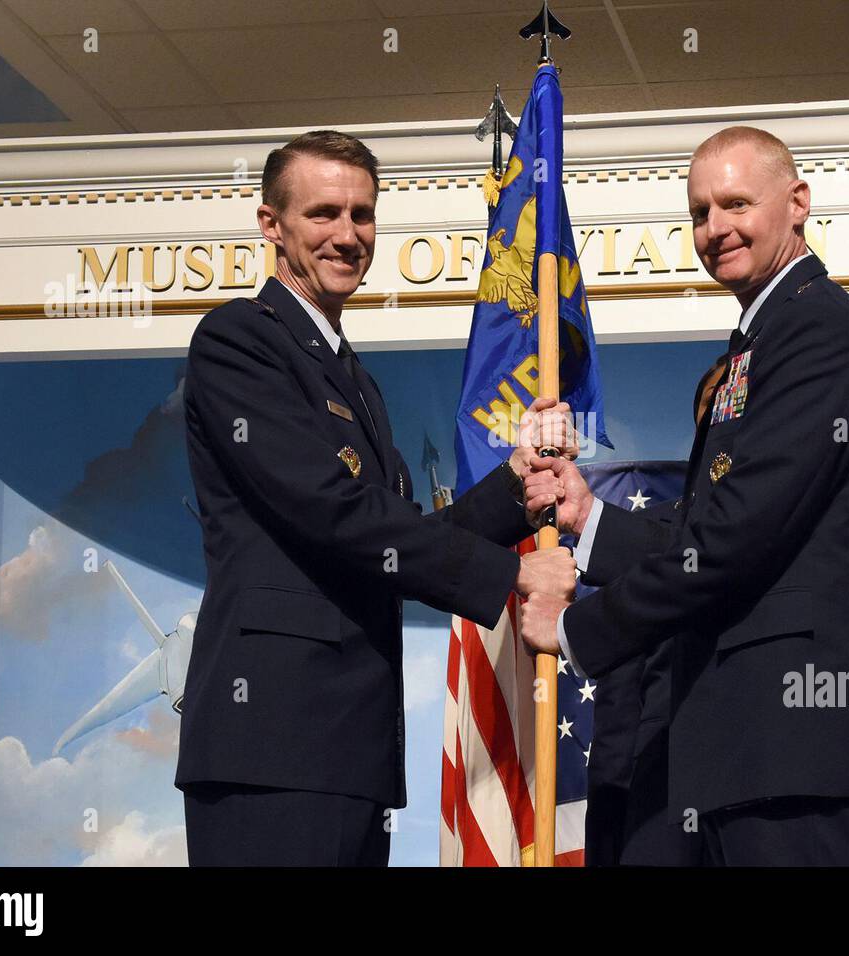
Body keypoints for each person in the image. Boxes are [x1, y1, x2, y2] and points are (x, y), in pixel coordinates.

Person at [177, 129, 577, 866]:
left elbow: (389, 535)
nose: (347, 235)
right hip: (270, 748)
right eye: (323, 213)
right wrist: (515, 576)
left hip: (349, 754)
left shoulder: (354, 380)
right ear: (272, 225)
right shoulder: (239, 342)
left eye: (362, 215)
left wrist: (514, 489)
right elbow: (333, 513)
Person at [521, 126, 849, 866]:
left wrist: (579, 630)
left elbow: (733, 540)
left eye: (735, 203)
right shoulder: (763, 340)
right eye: (700, 212)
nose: (715, 229)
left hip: (803, 754)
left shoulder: (817, 332)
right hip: (749, 759)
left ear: (797, 203)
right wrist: (589, 519)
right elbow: (716, 526)